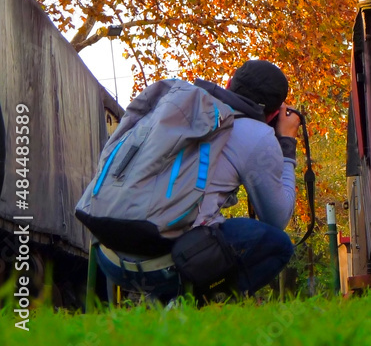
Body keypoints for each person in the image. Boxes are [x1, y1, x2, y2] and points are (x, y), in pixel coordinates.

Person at [94, 59, 301, 303]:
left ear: (228, 84)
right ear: (274, 115)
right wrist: (286, 143)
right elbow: (277, 218)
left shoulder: (174, 107)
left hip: (107, 257)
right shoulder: (258, 134)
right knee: (279, 244)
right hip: (165, 266)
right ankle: (193, 305)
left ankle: (163, 305)